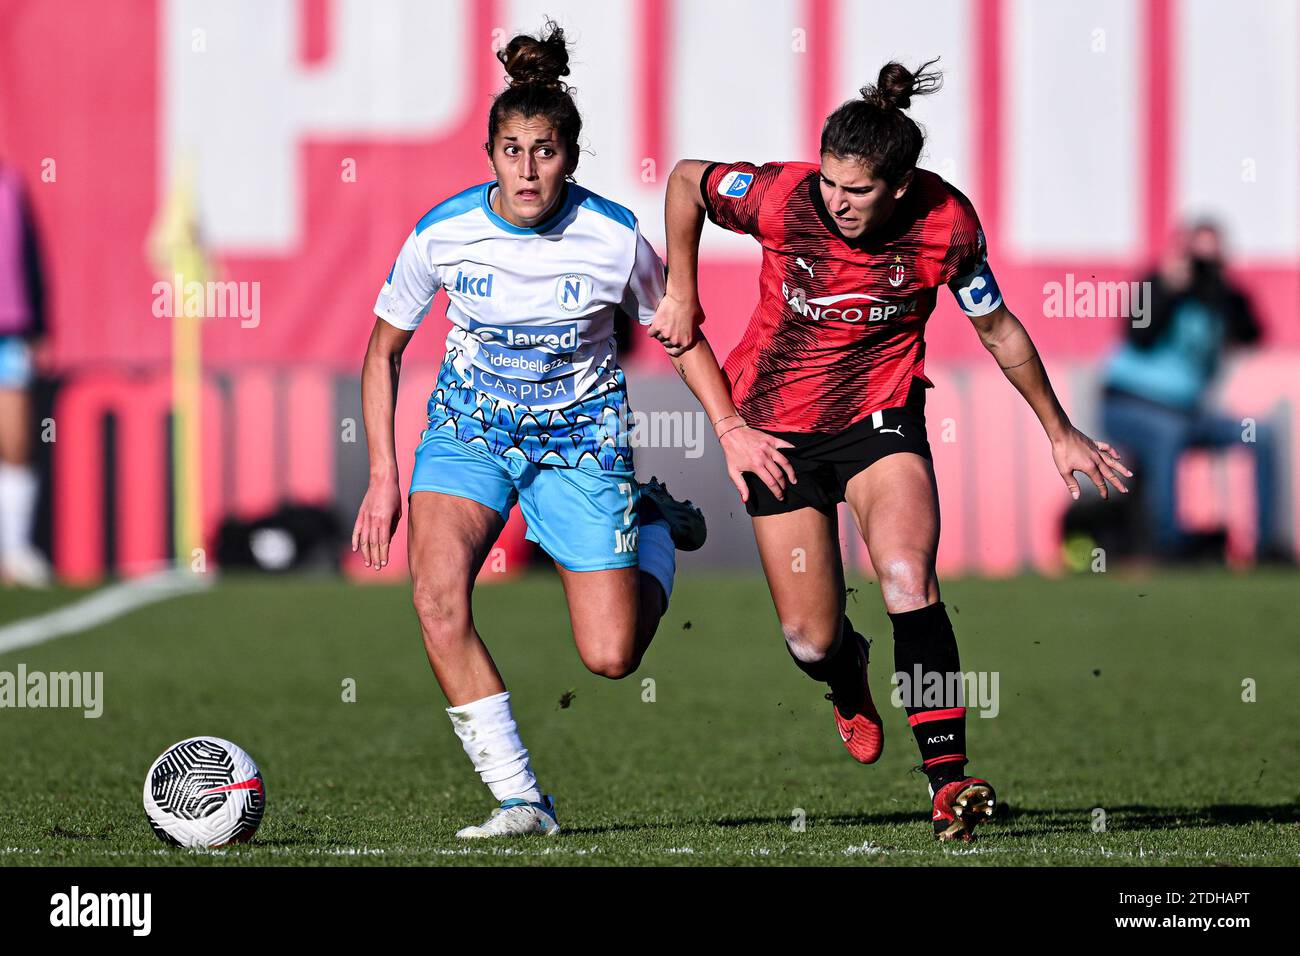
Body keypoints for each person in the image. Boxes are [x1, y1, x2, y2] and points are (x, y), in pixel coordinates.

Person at [648, 60, 1131, 841]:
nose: (835, 201)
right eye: (831, 183)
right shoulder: (778, 196)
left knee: (908, 575)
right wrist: (681, 288)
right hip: (774, 429)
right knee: (810, 638)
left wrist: (1058, 427)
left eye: (857, 190)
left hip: (881, 419)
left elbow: (998, 328)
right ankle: (846, 675)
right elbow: (683, 180)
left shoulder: (948, 224)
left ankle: (949, 781)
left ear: (900, 185)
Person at [352, 22, 704, 840]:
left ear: (569, 158)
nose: (527, 168)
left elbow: (677, 333)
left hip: (580, 441)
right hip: (468, 431)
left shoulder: (613, 236)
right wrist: (381, 474)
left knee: (611, 657)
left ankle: (648, 523)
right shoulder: (441, 232)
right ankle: (521, 799)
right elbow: (383, 352)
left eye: (544, 151)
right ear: (490, 153)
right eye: (512, 149)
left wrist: (728, 426)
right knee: (438, 600)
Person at [1101, 220, 1285, 562]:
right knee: (1168, 433)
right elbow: (1138, 335)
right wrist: (1170, 289)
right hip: (1129, 405)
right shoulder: (1155, 284)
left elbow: (1253, 333)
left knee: (1261, 435)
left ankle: (1264, 548)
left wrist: (1221, 290)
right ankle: (1169, 546)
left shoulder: (1222, 298)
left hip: (1188, 413)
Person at [0, 159, 50, 587]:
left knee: (14, 440)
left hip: (8, 332)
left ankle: (14, 552)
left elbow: (31, 258)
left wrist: (40, 326)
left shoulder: (12, 184)